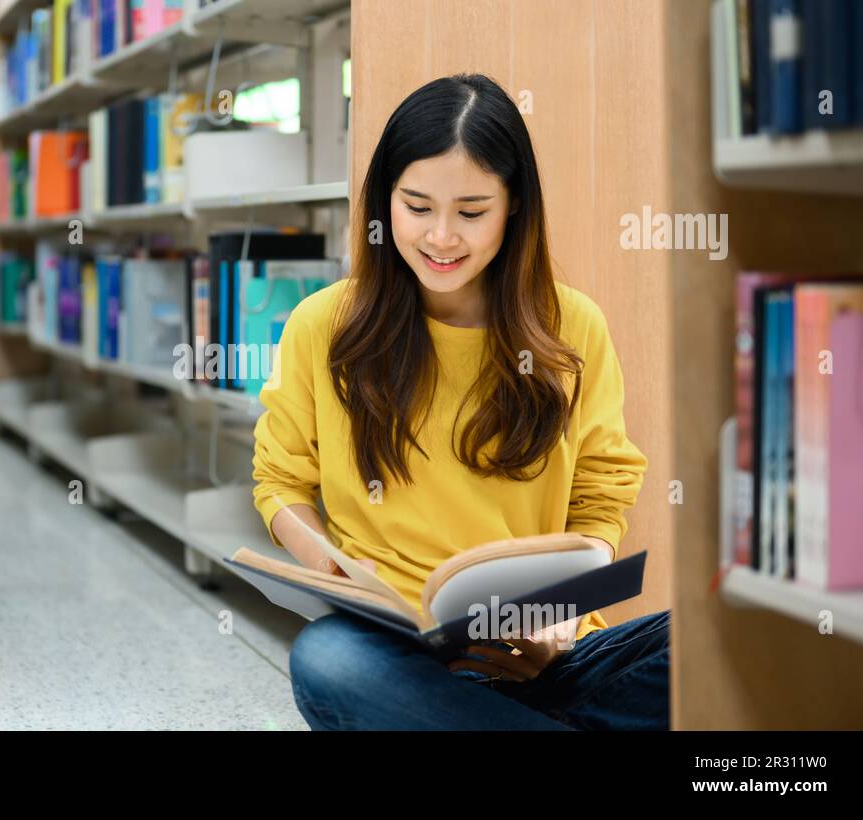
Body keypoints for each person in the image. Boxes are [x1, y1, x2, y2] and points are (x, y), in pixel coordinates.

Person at [250, 73, 669, 730]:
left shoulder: (572, 325)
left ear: (514, 209)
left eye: (471, 212)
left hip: (551, 658)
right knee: (327, 661)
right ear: (385, 203)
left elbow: (603, 492)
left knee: (715, 635)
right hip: (400, 655)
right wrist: (330, 565)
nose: (441, 237)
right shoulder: (322, 325)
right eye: (417, 207)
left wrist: (555, 623)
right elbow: (279, 484)